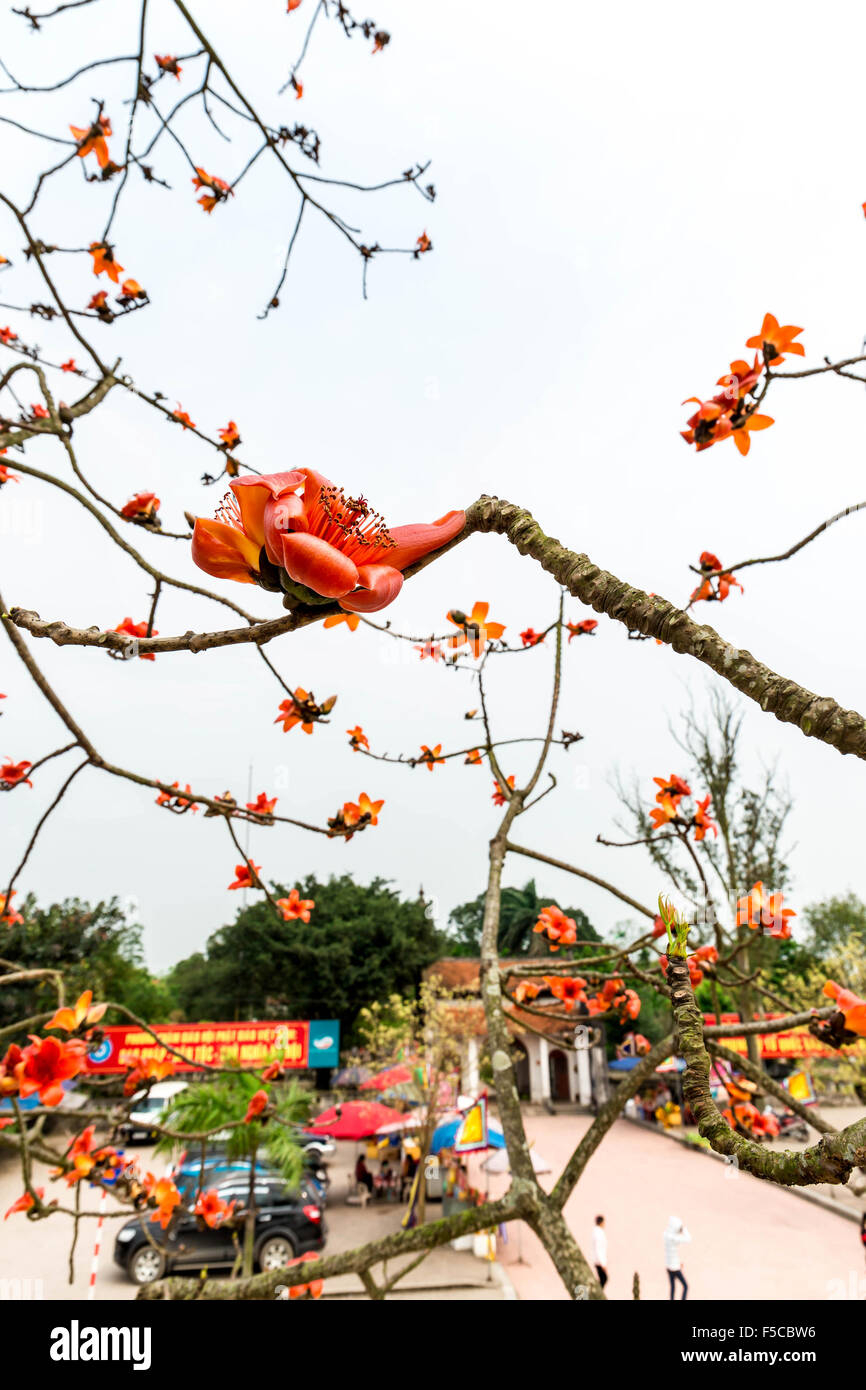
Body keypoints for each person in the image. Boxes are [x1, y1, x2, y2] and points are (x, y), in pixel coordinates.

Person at [664, 1215, 691, 1299]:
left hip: (669, 1266)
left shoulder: (666, 1235)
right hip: (675, 1268)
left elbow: (672, 1253)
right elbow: (688, 1239)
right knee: (685, 1286)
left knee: (673, 1288)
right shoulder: (674, 1238)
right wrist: (683, 1229)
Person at [592, 1214, 608, 1289]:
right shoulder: (599, 1233)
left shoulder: (597, 1232)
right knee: (604, 1279)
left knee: (603, 1279)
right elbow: (599, 1248)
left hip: (598, 1260)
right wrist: (603, 1263)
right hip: (599, 1261)